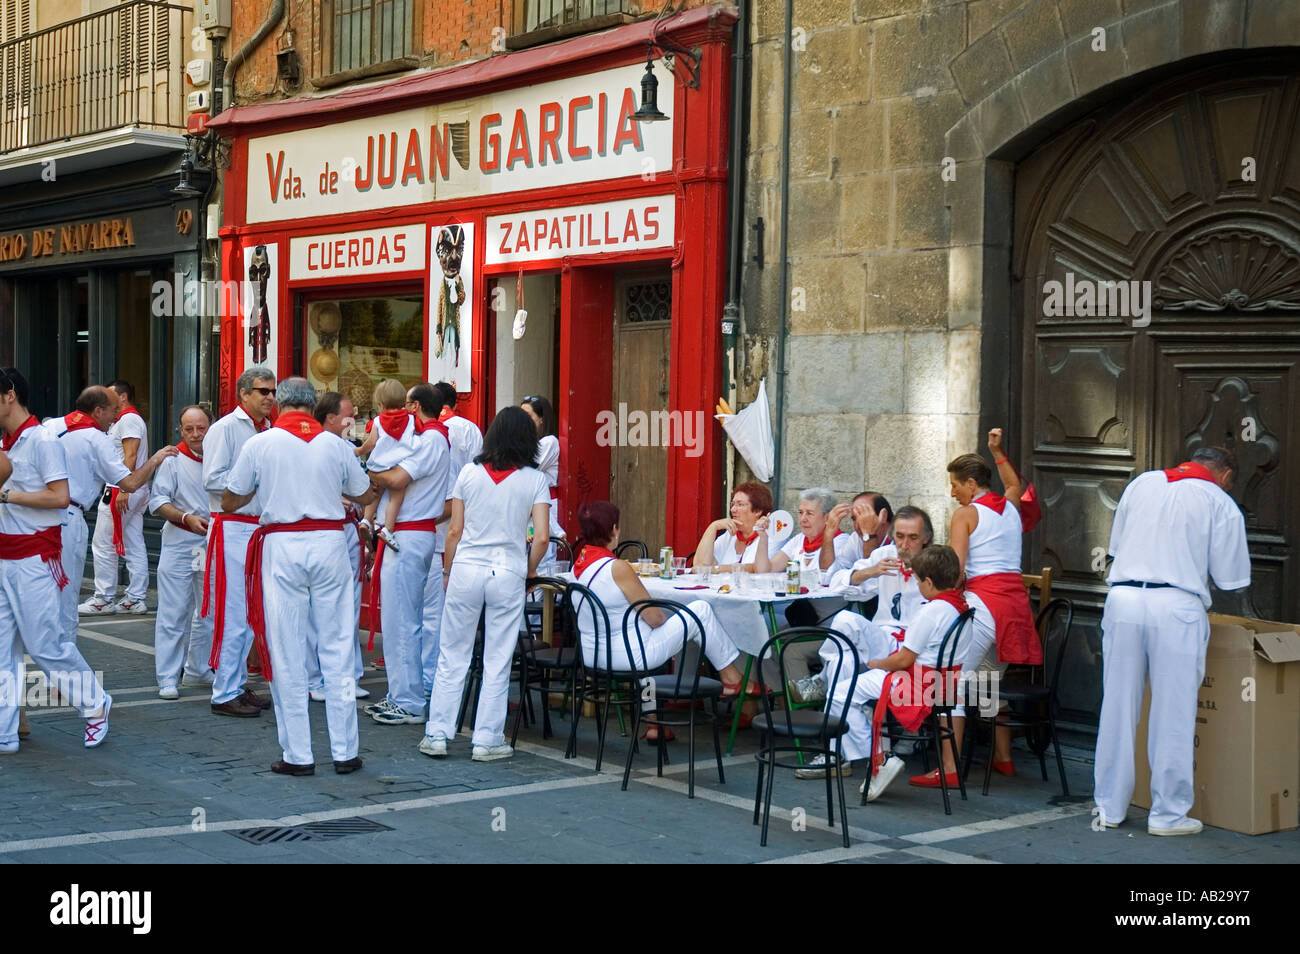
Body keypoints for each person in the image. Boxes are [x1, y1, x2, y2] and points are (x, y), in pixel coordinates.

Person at [1094, 446, 1249, 836]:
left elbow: (1115, 548)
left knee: (1116, 706)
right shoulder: (1220, 501)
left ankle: (1108, 807)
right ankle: (1167, 815)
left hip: (1125, 599)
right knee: (1173, 712)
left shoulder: (1141, 483)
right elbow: (1231, 579)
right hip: (1177, 606)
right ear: (1226, 474)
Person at [222, 378, 372, 776]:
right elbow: (364, 492)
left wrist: (267, 491)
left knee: (287, 649)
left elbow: (230, 498)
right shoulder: (336, 444)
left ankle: (298, 755)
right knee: (338, 646)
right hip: (328, 541)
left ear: (280, 404)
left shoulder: (261, 443)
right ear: (311, 406)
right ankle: (345, 752)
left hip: (283, 546)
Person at [418, 406, 550, 762]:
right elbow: (541, 538)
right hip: (507, 570)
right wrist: (529, 570)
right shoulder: (535, 480)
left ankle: (437, 733)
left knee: (453, 653)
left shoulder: (469, 473)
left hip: (465, 568)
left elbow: (455, 531)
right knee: (497, 656)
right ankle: (487, 738)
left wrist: (447, 571)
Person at [0, 368, 113, 752]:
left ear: (9, 395)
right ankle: (5, 732)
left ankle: (95, 705)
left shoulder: (42, 439)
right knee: (2, 649)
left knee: (45, 643)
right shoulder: (7, 442)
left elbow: (59, 496)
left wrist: (8, 497)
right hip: (5, 554)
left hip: (35, 556)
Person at [793, 505, 933, 778]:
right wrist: (869, 572)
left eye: (913, 538)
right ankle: (827, 687)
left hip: (913, 649)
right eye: (900, 536)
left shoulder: (935, 563)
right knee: (845, 622)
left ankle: (836, 753)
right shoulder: (885, 556)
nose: (905, 544)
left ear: (926, 537)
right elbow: (836, 583)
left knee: (839, 667)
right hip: (882, 638)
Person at [940, 428, 1038, 785]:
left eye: (954, 485)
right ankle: (1003, 757)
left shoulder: (965, 515)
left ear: (969, 483)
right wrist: (997, 449)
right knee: (988, 680)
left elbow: (957, 569)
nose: (952, 493)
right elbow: (1014, 483)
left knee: (949, 684)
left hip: (983, 606)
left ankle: (949, 770)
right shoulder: (1010, 505)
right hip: (1015, 608)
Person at [571, 501, 751, 692]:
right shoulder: (617, 567)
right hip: (630, 656)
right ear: (614, 529)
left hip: (592, 654)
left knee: (670, 620)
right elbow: (655, 619)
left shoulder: (577, 567)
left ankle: (654, 711)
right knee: (701, 611)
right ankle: (731, 677)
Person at [44, 386, 175, 645]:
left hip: (36, 516)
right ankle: (63, 668)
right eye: (114, 411)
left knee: (39, 592)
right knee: (67, 596)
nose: (116, 417)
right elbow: (129, 482)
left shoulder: (49, 427)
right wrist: (156, 459)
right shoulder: (96, 438)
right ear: (98, 410)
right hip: (67, 519)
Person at [364, 382, 451, 726]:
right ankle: (402, 693)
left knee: (402, 621)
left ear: (414, 406)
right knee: (401, 620)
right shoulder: (425, 437)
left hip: (411, 533)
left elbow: (398, 478)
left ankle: (409, 700)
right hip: (409, 533)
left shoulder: (431, 438)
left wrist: (369, 470)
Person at [857, 545, 971, 803]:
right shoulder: (963, 606)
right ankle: (948, 768)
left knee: (851, 690)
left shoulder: (930, 611)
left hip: (922, 685)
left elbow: (904, 659)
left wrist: (876, 663)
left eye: (919, 581)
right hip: (948, 684)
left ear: (929, 582)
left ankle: (882, 758)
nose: (917, 585)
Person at [202, 366, 276, 718]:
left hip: (256, 528)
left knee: (250, 612)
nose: (270, 398)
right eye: (262, 391)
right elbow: (212, 479)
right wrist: (255, 482)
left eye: (272, 391)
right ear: (243, 394)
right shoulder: (225, 429)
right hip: (232, 527)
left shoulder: (268, 429)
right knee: (234, 612)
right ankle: (223, 692)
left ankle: (234, 683)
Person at [148, 405, 217, 699]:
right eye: (188, 429)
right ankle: (167, 677)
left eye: (200, 428)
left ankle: (198, 669)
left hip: (208, 544)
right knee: (173, 611)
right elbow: (157, 502)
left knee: (208, 610)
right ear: (180, 430)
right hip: (179, 543)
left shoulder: (220, 457)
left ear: (210, 426)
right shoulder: (172, 461)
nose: (195, 434)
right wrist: (185, 517)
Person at [422, 381, 482, 700]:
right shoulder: (469, 430)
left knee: (423, 612)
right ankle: (439, 678)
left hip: (422, 527)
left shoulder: (421, 431)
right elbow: (479, 473)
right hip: (456, 527)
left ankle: (428, 678)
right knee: (444, 614)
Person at [307, 392, 368, 702]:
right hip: (320, 530)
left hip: (346, 529)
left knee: (349, 606)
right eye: (347, 416)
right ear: (329, 418)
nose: (352, 421)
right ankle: (314, 677)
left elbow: (363, 491)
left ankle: (348, 674)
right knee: (315, 607)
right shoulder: (308, 446)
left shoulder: (345, 447)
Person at [81, 379, 151, 614]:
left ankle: (103, 598)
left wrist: (122, 489)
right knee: (133, 542)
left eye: (110, 397)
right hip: (132, 489)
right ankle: (135, 597)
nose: (106, 402)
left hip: (123, 489)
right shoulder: (128, 419)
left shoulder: (129, 419)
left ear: (122, 397)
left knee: (103, 544)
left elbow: (129, 457)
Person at [361, 379, 418, 552]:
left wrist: (358, 450)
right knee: (395, 499)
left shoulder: (378, 421)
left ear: (381, 403)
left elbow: (370, 444)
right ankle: (387, 529)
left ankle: (365, 520)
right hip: (397, 467)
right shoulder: (411, 419)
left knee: (375, 494)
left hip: (378, 466)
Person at [692, 482, 782, 571]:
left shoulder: (772, 536)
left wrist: (715, 570)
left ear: (758, 510)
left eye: (740, 504)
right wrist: (713, 527)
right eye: (733, 504)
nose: (733, 509)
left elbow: (756, 569)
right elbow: (699, 565)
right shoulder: (730, 535)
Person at [521, 394, 566, 569]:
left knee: (543, 562)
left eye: (528, 416)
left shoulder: (549, 442)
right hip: (531, 507)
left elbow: (527, 470)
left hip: (545, 505)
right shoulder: (533, 444)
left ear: (541, 419)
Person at [762, 487, 842, 579]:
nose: (802, 519)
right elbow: (767, 570)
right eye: (800, 512)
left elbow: (827, 575)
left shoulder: (840, 541)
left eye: (809, 513)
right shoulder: (799, 539)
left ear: (827, 518)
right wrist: (763, 536)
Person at [829, 491, 894, 573]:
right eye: (854, 519)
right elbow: (829, 576)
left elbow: (873, 579)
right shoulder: (857, 537)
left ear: (883, 516)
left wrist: (869, 536)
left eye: (864, 517)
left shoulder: (902, 538)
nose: (856, 526)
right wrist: (828, 533)